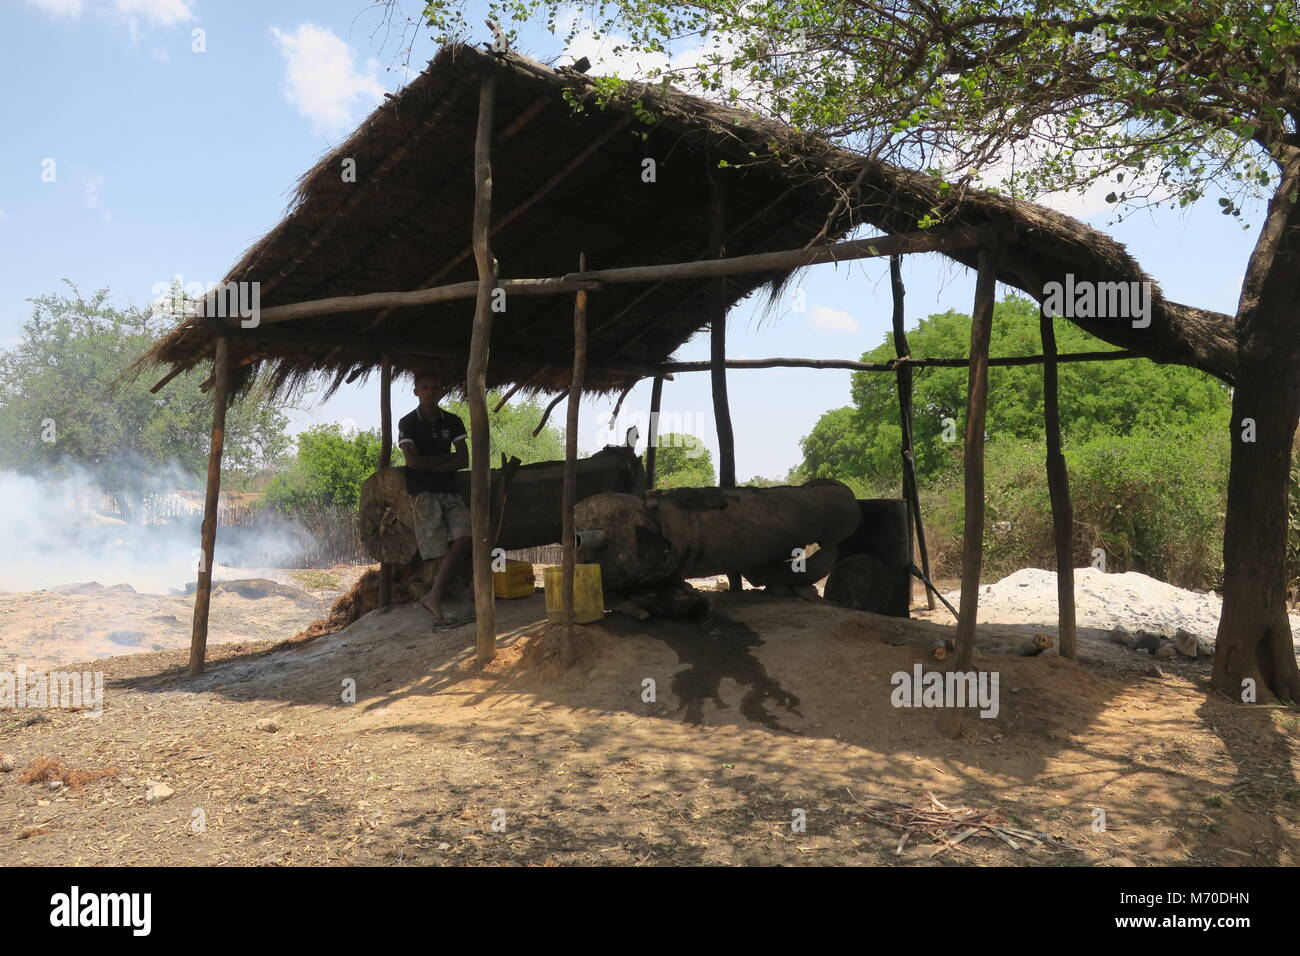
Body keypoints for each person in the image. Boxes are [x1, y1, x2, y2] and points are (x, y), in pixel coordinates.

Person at [397, 372, 472, 626]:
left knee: (464, 536)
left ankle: (435, 594)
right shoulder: (407, 423)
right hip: (423, 493)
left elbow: (464, 460)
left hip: (447, 490)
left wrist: (426, 465)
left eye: (434, 387)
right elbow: (412, 463)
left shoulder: (452, 421)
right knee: (439, 549)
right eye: (424, 387)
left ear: (441, 391)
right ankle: (447, 593)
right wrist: (445, 461)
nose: (430, 391)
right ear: (416, 392)